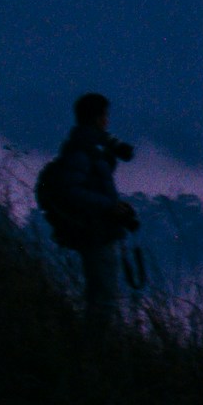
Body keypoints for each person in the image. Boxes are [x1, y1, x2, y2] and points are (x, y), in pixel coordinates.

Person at [36, 92, 140, 327]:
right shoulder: (82, 151)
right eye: (105, 116)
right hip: (95, 233)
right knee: (103, 300)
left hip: (99, 230)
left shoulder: (89, 146)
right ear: (97, 118)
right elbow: (71, 190)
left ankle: (93, 352)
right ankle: (96, 353)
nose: (107, 121)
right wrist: (110, 207)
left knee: (100, 297)